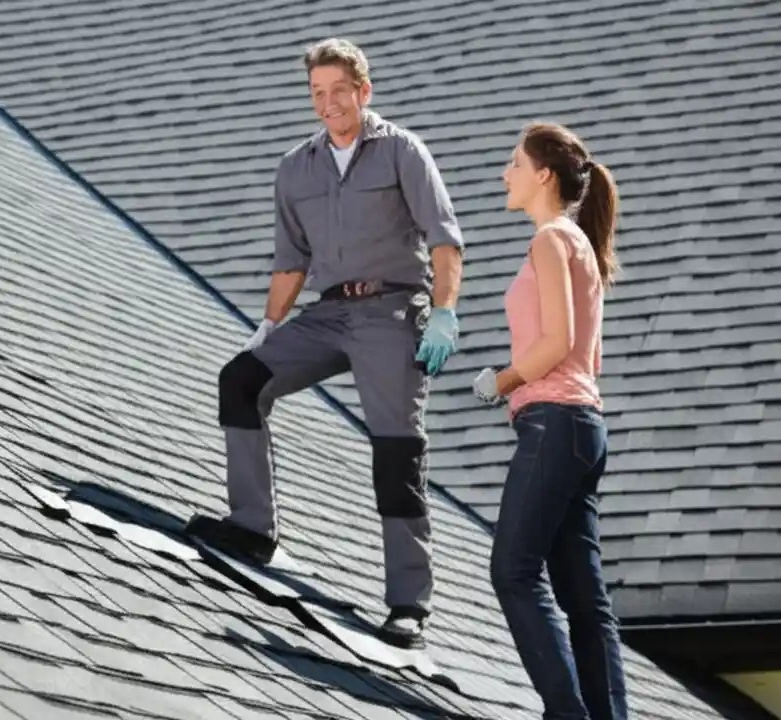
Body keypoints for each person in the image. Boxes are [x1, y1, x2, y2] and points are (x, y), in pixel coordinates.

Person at [185, 37, 465, 650]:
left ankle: (407, 604)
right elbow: (291, 264)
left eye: (341, 90)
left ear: (364, 91)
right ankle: (254, 528)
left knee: (396, 451)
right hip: (328, 312)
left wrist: (444, 313)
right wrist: (267, 331)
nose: (329, 102)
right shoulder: (297, 168)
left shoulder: (401, 151)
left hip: (393, 311)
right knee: (242, 379)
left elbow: (445, 241)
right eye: (318, 92)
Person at [472, 122, 627, 720]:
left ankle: (567, 713)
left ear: (543, 174)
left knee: (513, 571)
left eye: (514, 162)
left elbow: (557, 341)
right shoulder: (579, 243)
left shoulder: (551, 240)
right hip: (585, 428)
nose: (504, 173)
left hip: (556, 422)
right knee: (584, 599)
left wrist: (502, 381)